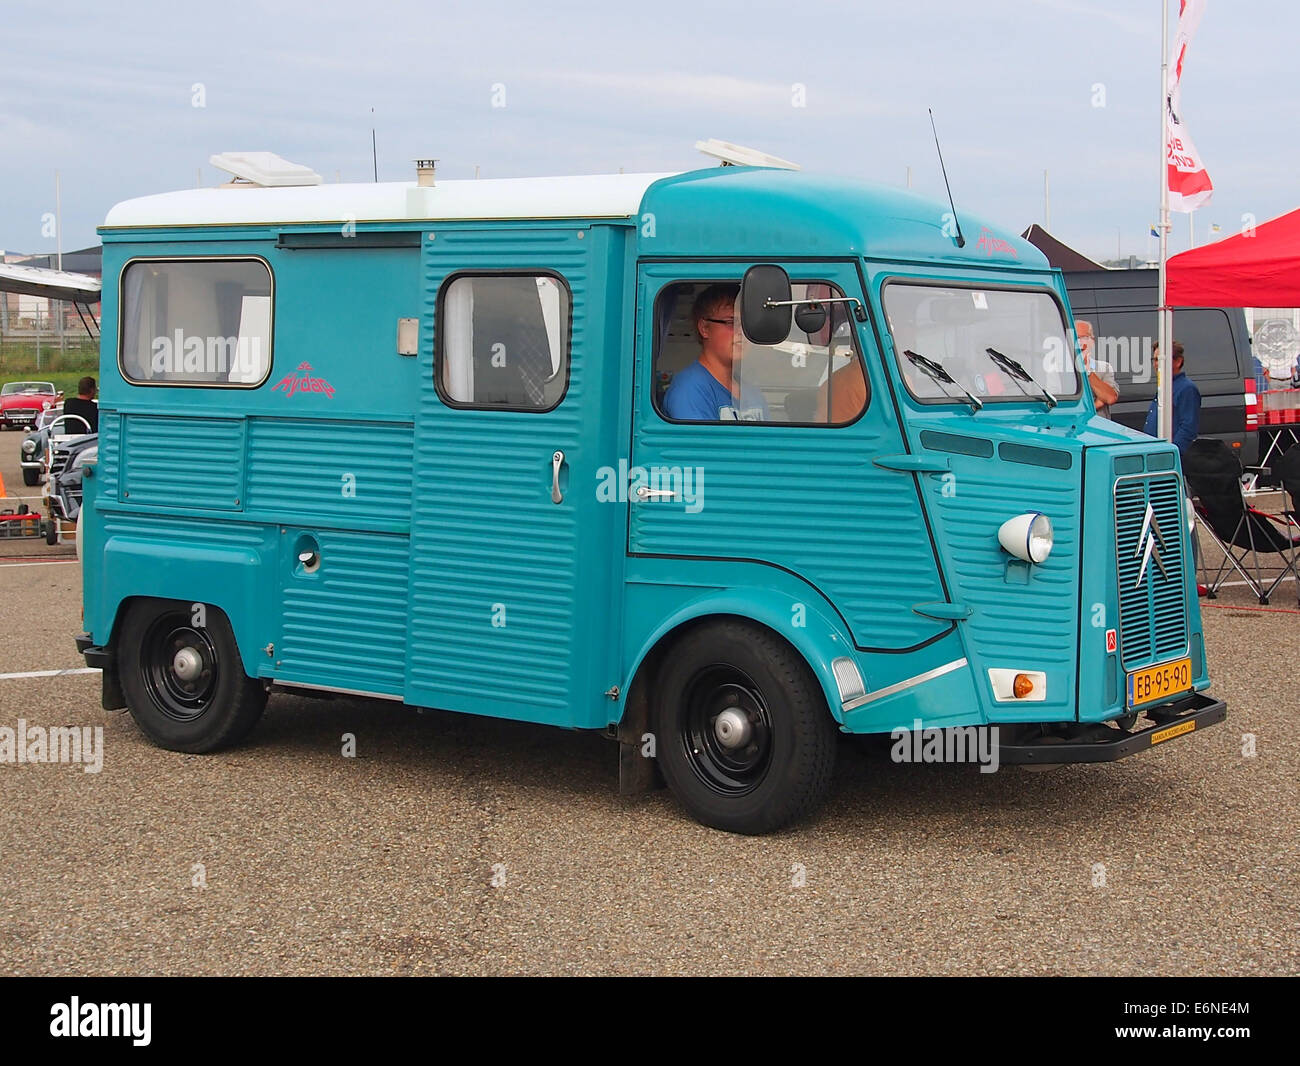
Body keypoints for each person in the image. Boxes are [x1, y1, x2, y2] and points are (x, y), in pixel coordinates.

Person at [663, 284, 768, 421]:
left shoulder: (752, 393)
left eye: (747, 324)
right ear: (704, 328)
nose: (742, 332)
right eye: (732, 322)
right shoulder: (689, 389)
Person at [1142, 341, 1199, 454]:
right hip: (1154, 451)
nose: (1156, 364)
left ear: (1178, 362)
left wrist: (1171, 453)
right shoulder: (1165, 386)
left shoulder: (1186, 388)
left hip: (1168, 455)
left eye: (1161, 360)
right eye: (1155, 360)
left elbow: (1188, 428)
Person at [1076, 321, 1119, 418]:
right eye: (1076, 337)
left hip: (1098, 428)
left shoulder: (1104, 368)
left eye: (1085, 337)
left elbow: (1110, 398)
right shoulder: (1059, 370)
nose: (1080, 342)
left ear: (1092, 341)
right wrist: (1098, 402)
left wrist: (1088, 371)